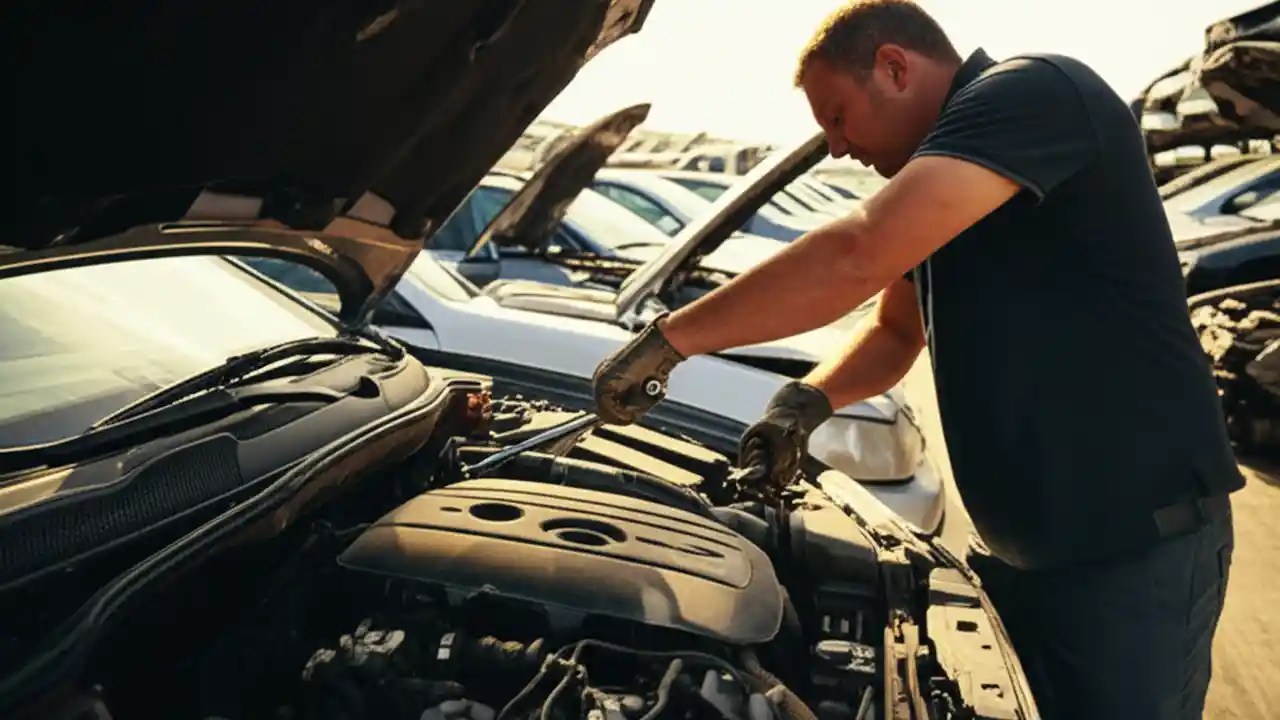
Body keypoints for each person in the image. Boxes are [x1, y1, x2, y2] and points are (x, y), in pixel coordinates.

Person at [589, 1, 1244, 718]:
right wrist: (801, 404)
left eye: (838, 116)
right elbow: (896, 332)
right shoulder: (960, 174)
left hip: (1129, 553)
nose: (837, 148)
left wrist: (669, 340)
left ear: (895, 66)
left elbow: (856, 255)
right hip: (1032, 553)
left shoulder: (1036, 94)